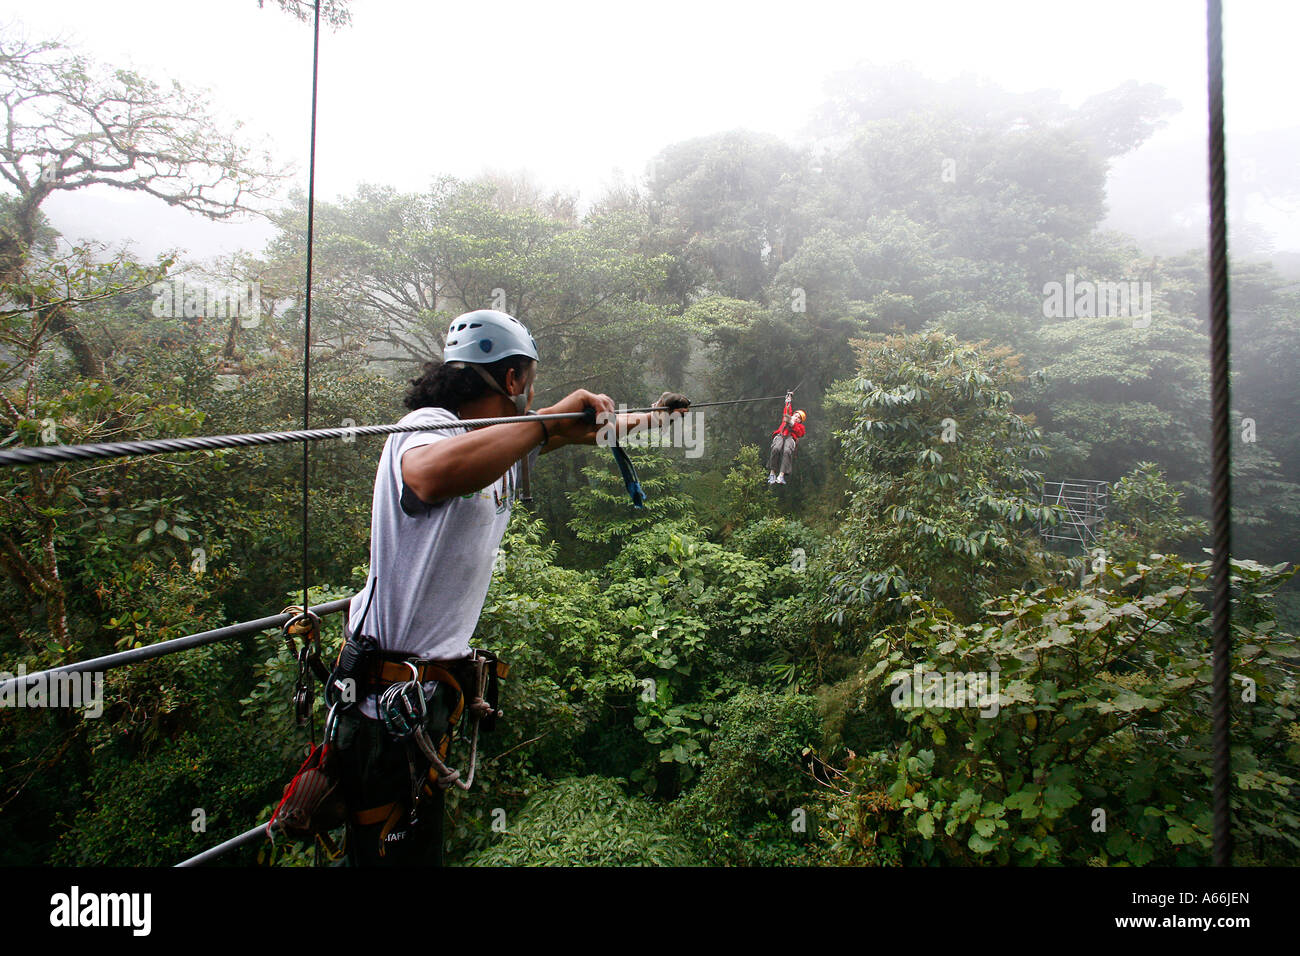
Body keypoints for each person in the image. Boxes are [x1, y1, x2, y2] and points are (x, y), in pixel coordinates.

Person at [330, 309, 688, 866]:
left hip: (425, 701)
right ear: (513, 379)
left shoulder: (500, 444)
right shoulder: (429, 426)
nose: (533, 397)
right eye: (531, 381)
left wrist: (655, 418)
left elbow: (582, 431)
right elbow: (428, 476)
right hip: (382, 706)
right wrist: (543, 423)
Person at [767, 391, 806, 484]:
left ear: (800, 421)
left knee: (787, 451)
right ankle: (772, 473)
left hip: (790, 438)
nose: (796, 418)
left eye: (798, 418)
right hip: (781, 435)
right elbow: (787, 411)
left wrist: (793, 424)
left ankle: (781, 475)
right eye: (796, 415)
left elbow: (800, 433)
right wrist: (788, 401)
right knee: (776, 448)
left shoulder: (800, 427)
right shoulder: (787, 419)